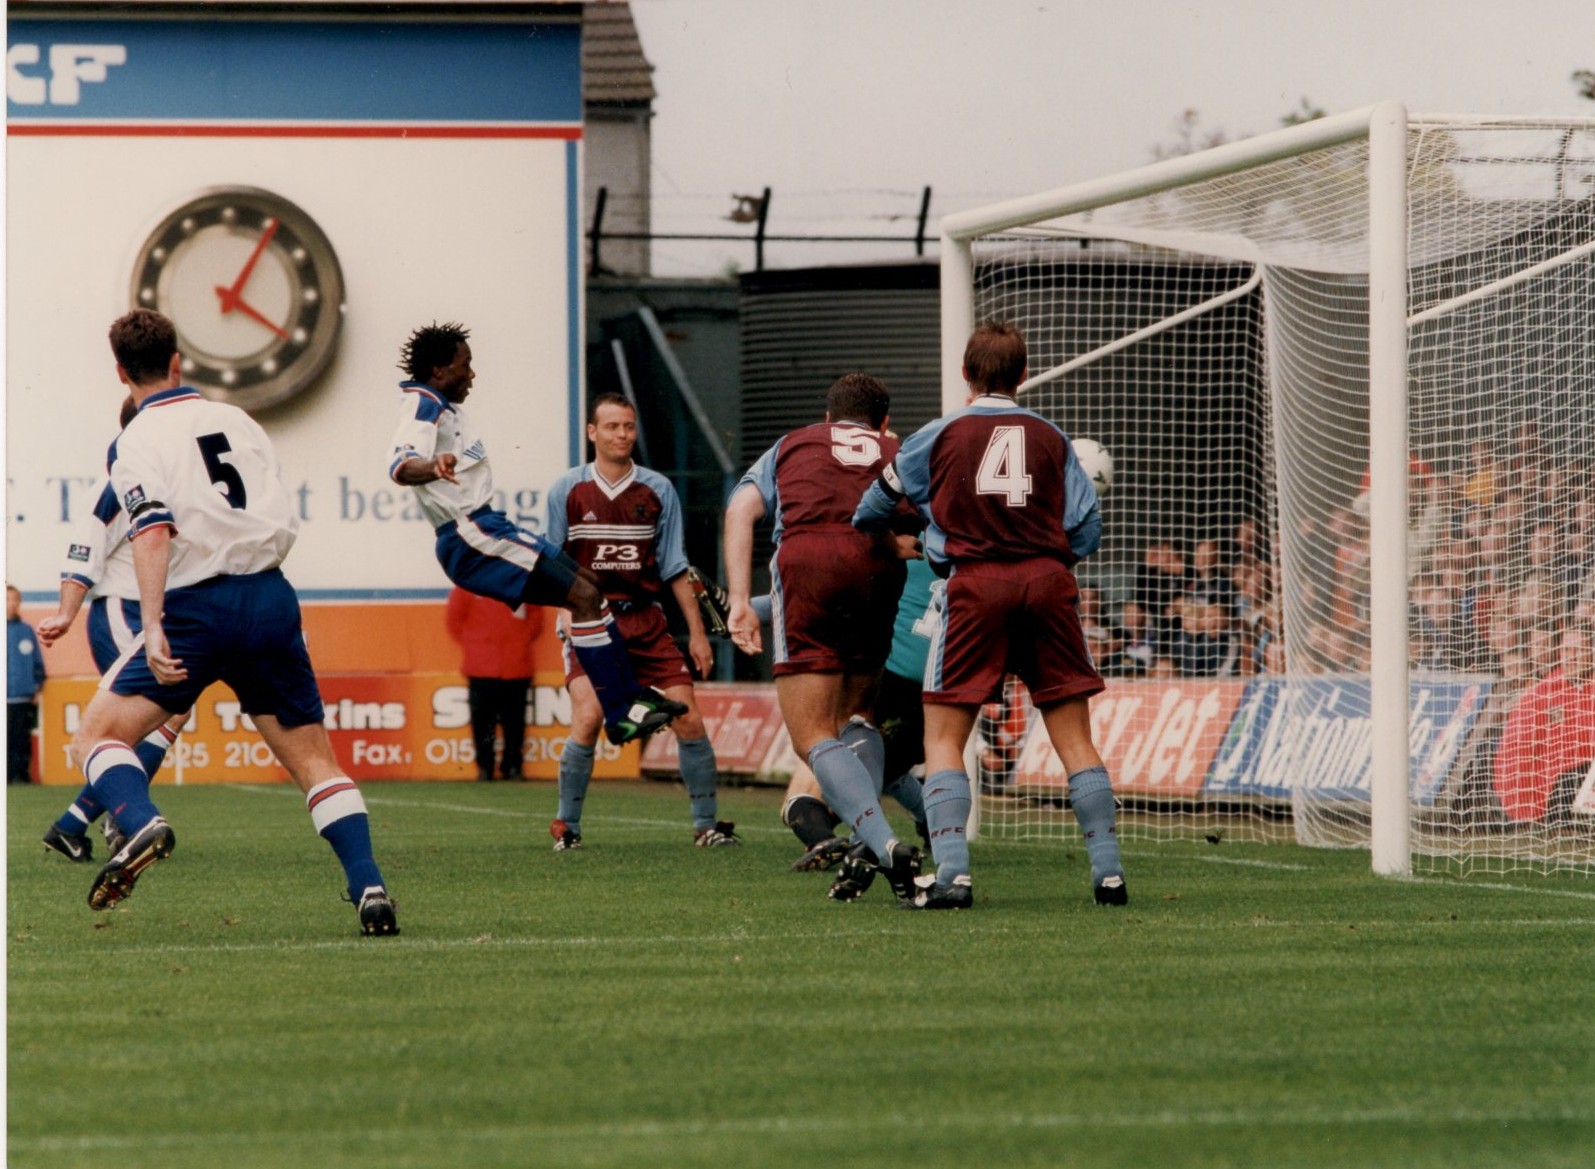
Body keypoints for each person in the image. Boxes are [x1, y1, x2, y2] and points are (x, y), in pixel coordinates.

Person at [68, 308, 398, 936]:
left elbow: (152, 531)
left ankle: (139, 823)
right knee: (314, 763)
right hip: (272, 598)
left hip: (197, 606)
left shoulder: (133, 441)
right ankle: (369, 886)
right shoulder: (237, 419)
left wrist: (157, 623)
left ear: (120, 373)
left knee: (95, 739)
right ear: (177, 362)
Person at [854, 320, 1128, 910]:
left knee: (945, 737)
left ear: (965, 374)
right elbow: (1089, 527)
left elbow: (872, 504)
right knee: (1074, 736)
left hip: (975, 585)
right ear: (1023, 375)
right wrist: (1049, 558)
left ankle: (954, 873)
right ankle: (1108, 874)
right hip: (1048, 585)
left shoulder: (939, 433)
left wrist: (921, 526)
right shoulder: (1053, 437)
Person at [388, 322, 683, 746]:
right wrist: (431, 467)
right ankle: (621, 711)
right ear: (438, 370)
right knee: (583, 596)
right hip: (471, 532)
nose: (472, 374)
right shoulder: (423, 404)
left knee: (590, 586)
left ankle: (628, 702)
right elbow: (400, 466)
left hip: (490, 524)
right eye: (464, 365)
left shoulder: (443, 406)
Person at [724, 373, 924, 903]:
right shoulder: (896, 447)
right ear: (882, 421)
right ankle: (870, 837)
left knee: (812, 734)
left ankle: (879, 843)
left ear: (829, 417)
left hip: (809, 561)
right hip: (877, 567)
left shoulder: (792, 443)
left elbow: (741, 510)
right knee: (859, 718)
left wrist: (741, 601)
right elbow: (921, 526)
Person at [544, 393, 738, 848]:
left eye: (628, 426)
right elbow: (551, 565)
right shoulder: (567, 490)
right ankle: (566, 829)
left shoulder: (658, 490)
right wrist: (565, 615)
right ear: (593, 432)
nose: (622, 435)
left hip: (646, 624)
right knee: (589, 716)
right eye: (612, 426)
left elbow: (675, 567)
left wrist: (697, 635)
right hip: (591, 622)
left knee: (688, 718)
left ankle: (706, 827)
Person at [37, 395, 190, 862]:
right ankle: (113, 819)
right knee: (157, 717)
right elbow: (83, 552)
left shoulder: (146, 475)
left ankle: (78, 823)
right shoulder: (120, 479)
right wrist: (65, 613)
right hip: (123, 613)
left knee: (154, 720)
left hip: (134, 613)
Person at [781, 555, 937, 871]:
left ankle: (831, 838)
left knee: (825, 770)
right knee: (888, 767)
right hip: (939, 685)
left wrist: (745, 609)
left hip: (887, 671)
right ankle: (931, 824)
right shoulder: (967, 552)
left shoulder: (898, 550)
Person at [1492, 622, 1595, 825]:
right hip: (1551, 793)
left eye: (1578, 650)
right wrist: (1523, 807)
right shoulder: (1540, 695)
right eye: (1566, 650)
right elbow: (1513, 751)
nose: (1571, 657)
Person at [445, 586, 540, 781]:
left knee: (514, 722)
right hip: (481, 666)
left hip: (516, 664)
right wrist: (475, 643)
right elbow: (454, 620)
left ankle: (513, 767)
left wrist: (519, 641)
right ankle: (485, 768)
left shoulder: (523, 583)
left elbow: (537, 620)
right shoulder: (468, 583)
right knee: (482, 722)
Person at [7, 585, 46, 784]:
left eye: (14, 600)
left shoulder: (26, 631)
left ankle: (22, 776)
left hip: (23, 697)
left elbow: (37, 663)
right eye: (6, 600)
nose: (11, 604)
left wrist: (37, 686)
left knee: (21, 740)